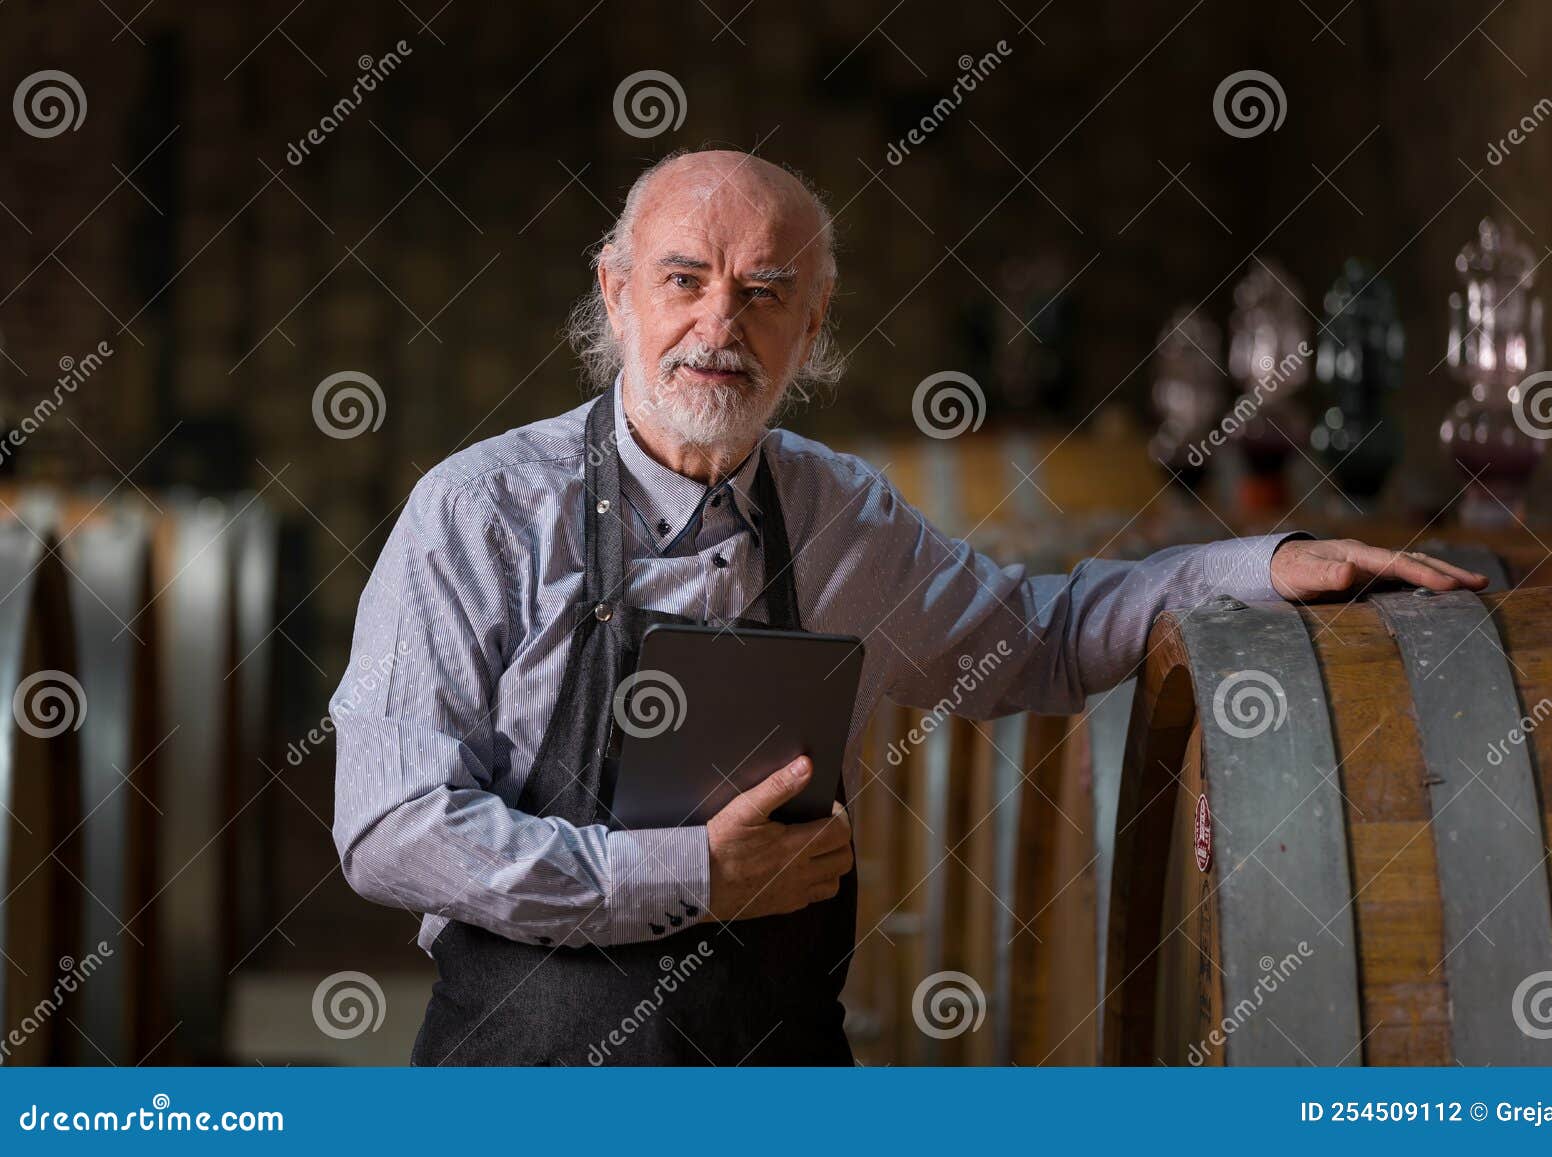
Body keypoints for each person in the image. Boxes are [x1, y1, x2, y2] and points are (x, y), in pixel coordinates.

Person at [330, 148, 1486, 1065]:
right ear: (617, 293)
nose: (720, 326)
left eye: (765, 292)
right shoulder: (477, 511)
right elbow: (390, 829)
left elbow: (1033, 640)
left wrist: (1255, 565)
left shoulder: (840, 514)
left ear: (812, 323)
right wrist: (685, 876)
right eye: (685, 279)